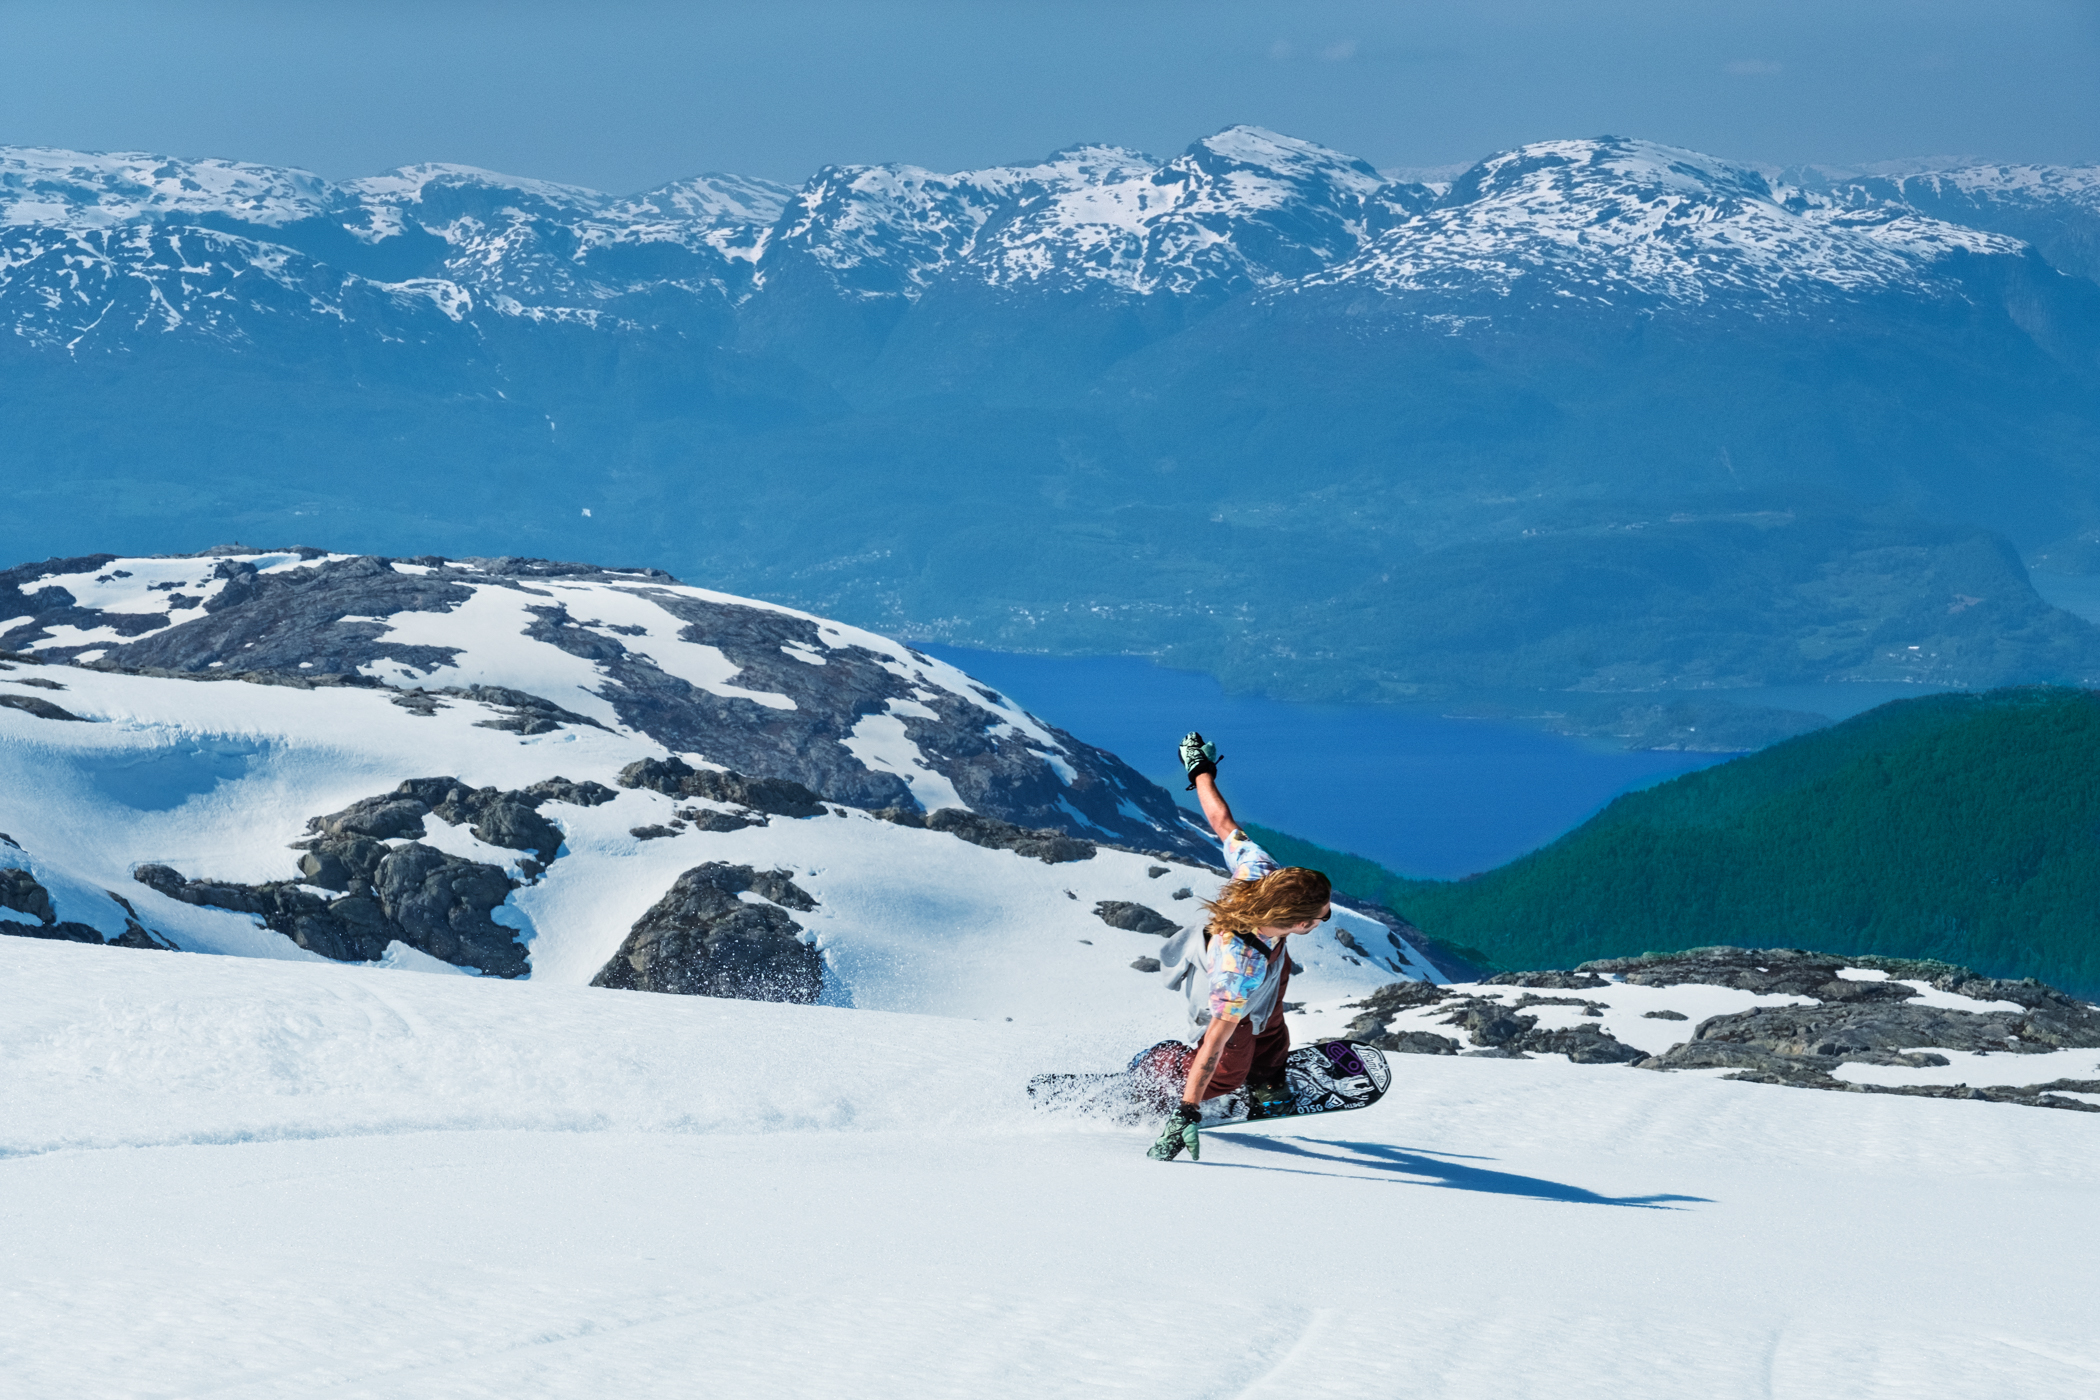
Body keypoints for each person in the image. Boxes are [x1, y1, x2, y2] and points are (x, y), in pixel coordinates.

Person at [1147, 732, 1332, 1162]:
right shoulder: (1240, 967)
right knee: (1228, 1068)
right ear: (1299, 922)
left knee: (1271, 1011)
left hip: (1260, 965)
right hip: (1217, 988)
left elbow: (1223, 822)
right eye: (1322, 916)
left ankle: (1267, 1077)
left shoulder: (1260, 871)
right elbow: (1214, 1042)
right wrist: (1187, 1112)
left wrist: (1201, 771)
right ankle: (1162, 1071)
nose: (1326, 918)